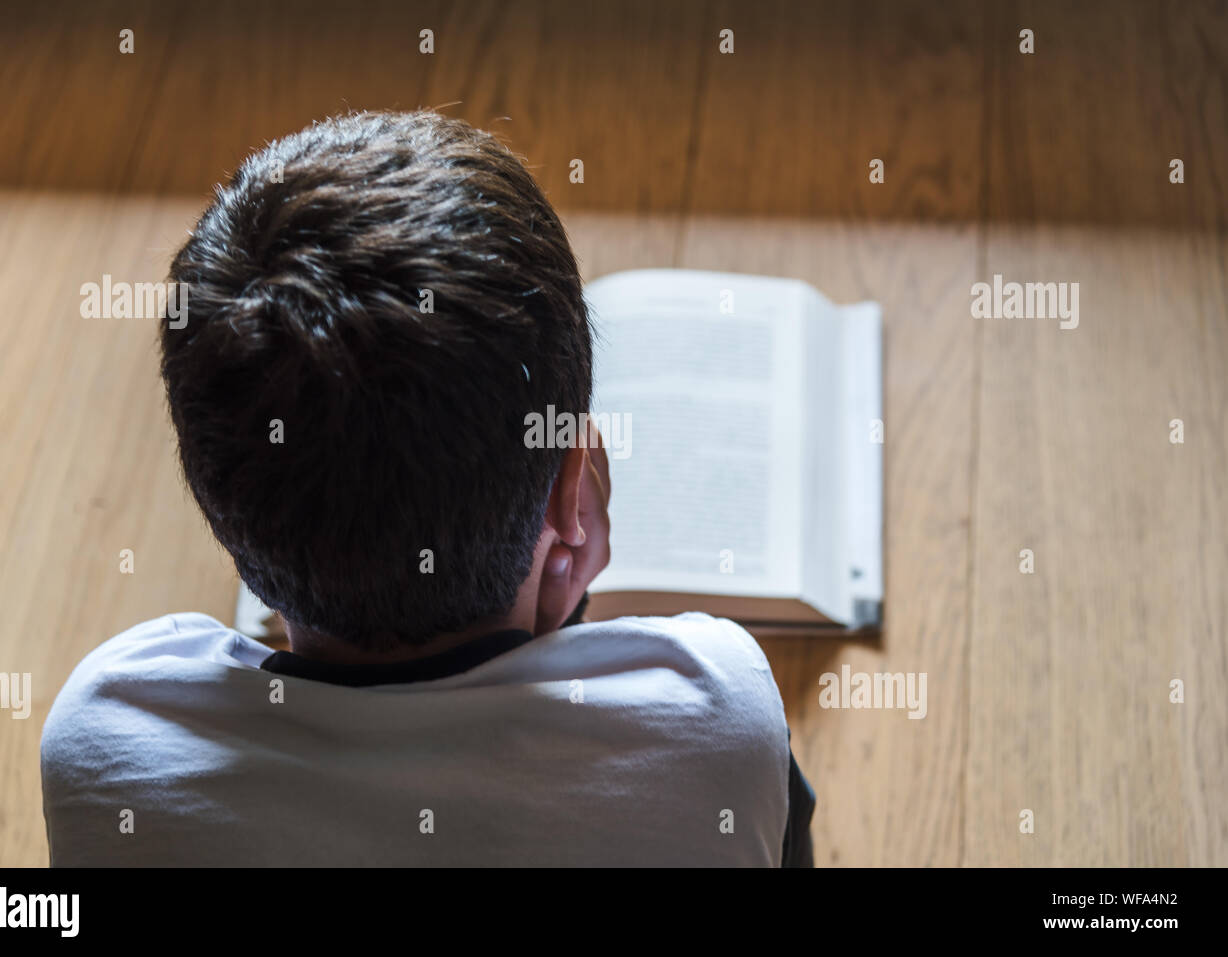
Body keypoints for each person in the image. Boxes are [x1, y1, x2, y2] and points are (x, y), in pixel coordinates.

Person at [41, 111, 814, 866]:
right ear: (574, 492)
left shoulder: (108, 744)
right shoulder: (717, 722)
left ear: (220, 508)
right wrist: (561, 607)